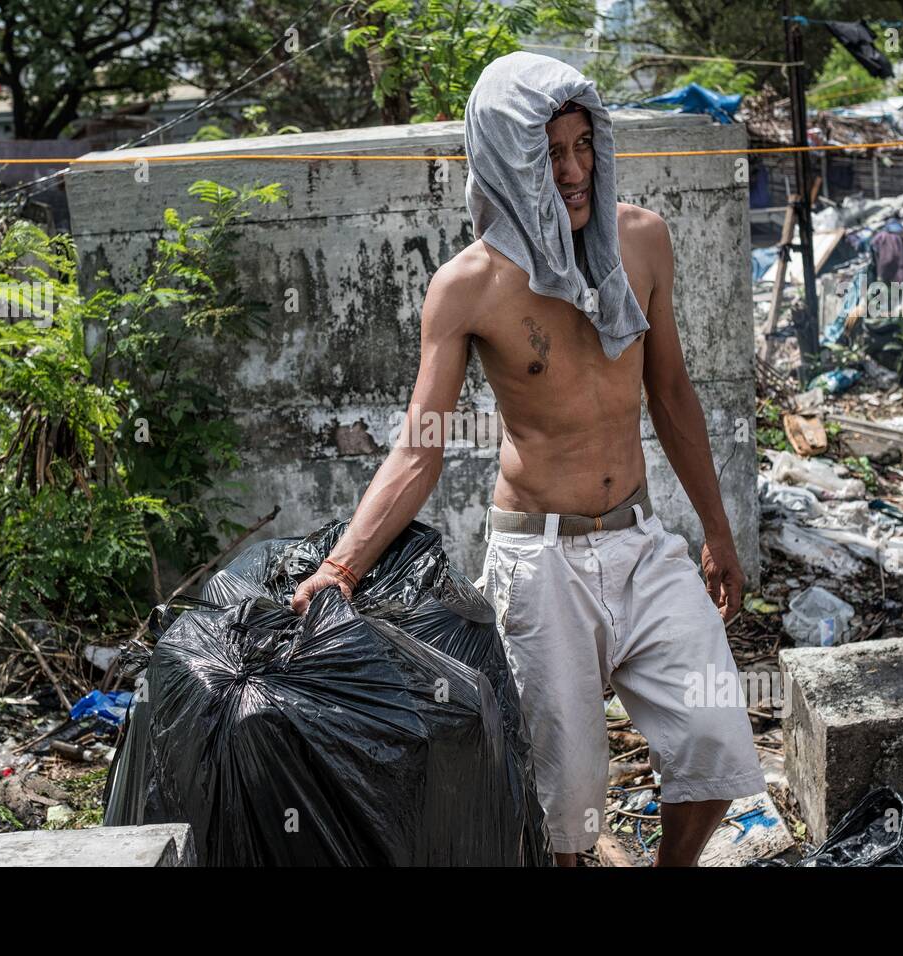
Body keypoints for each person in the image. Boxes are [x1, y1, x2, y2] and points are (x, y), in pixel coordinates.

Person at [292, 52, 764, 866]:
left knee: (718, 745)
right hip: (540, 563)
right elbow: (420, 445)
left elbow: (674, 394)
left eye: (585, 145)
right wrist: (341, 567)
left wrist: (718, 535)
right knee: (567, 810)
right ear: (509, 160)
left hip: (643, 543)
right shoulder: (469, 287)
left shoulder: (640, 241)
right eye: (551, 154)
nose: (576, 170)